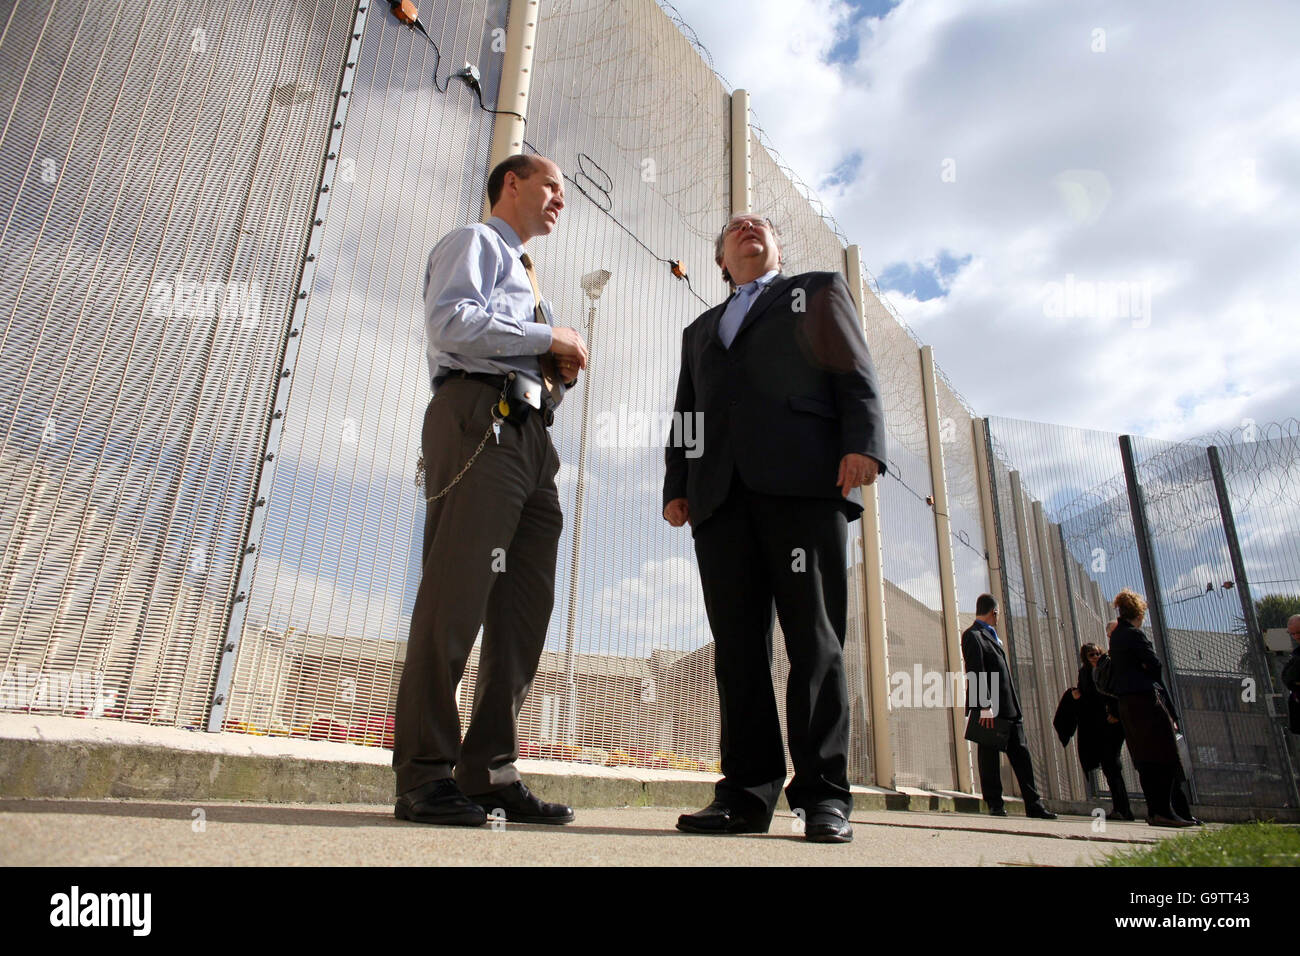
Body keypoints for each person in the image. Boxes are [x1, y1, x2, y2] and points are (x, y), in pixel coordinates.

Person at [662, 213, 887, 844]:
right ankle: (745, 793)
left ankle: (823, 796)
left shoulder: (816, 291)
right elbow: (687, 411)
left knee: (815, 641)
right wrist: (677, 484)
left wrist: (862, 441)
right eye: (733, 228)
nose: (745, 226)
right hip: (719, 501)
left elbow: (852, 368)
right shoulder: (699, 330)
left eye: (758, 224)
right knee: (737, 652)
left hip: (803, 486)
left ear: (776, 249)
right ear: (721, 260)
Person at [392, 154, 588, 827]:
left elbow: (532, 347)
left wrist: (558, 366)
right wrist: (548, 336)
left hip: (534, 435)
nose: (561, 199)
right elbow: (450, 324)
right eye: (552, 186)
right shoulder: (474, 243)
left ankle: (489, 772)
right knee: (455, 597)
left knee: (522, 612)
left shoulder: (534, 280)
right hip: (480, 416)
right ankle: (423, 775)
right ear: (514, 183)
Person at [961, 593, 1058, 819]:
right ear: (994, 612)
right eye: (997, 615)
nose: (998, 618)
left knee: (1021, 755)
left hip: (1008, 707)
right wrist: (984, 705)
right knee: (989, 757)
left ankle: (1034, 804)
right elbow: (975, 671)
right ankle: (995, 803)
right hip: (990, 708)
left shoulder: (992, 637)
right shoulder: (973, 635)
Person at [1107, 588, 1197, 828]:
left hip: (1127, 702)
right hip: (1146, 701)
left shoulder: (1116, 636)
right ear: (1139, 612)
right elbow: (1154, 664)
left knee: (1145, 758)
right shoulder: (1134, 635)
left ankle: (1156, 810)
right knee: (1165, 753)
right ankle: (1165, 810)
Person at [1072, 641, 1134, 820]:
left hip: (1112, 721)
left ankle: (1123, 809)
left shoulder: (1108, 668)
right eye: (1091, 655)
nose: (1095, 657)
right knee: (1109, 765)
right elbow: (1087, 696)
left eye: (1097, 653)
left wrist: (1115, 713)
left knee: (1111, 763)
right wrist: (1077, 696)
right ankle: (1121, 808)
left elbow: (1115, 692)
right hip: (1098, 723)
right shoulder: (1085, 673)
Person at [1281, 614, 1300, 734]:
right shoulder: (1297, 654)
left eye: (1299, 632)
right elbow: (1287, 678)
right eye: (1292, 634)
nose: (1296, 636)